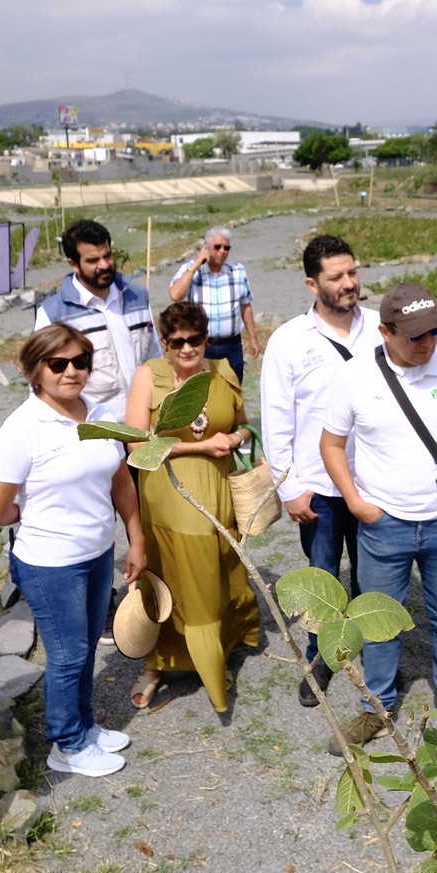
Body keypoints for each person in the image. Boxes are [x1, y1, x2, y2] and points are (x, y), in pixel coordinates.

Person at [319, 283, 437, 749]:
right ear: (385, 331)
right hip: (384, 524)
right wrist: (356, 502)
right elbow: (331, 445)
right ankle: (375, 709)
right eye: (415, 336)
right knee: (376, 621)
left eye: (434, 332)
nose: (428, 343)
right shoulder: (355, 377)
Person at [0, 324, 147, 778]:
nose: (72, 371)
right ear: (35, 370)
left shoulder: (98, 412)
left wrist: (137, 537)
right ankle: (67, 744)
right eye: (59, 363)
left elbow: (120, 480)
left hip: (95, 554)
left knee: (87, 644)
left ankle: (84, 726)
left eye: (81, 362)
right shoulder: (22, 429)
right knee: (68, 652)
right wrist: (33, 513)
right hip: (51, 563)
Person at [124, 301, 260, 714]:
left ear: (206, 338)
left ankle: (219, 643)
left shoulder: (221, 371)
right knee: (179, 571)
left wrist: (236, 439)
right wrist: (203, 445)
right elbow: (134, 442)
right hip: (171, 491)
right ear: (164, 342)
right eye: (177, 341)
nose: (186, 349)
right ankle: (172, 661)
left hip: (219, 489)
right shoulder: (150, 376)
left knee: (217, 567)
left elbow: (241, 422)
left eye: (195, 339)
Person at [261, 234, 380, 705]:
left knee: (372, 576)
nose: (349, 283)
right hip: (318, 487)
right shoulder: (289, 342)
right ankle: (321, 657)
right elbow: (276, 420)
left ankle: (373, 650)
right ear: (313, 283)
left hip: (374, 481)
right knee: (323, 576)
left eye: (352, 272)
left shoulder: (379, 328)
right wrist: (289, 488)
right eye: (337, 277)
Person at [35, 219, 160, 410]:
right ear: (73, 264)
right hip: (97, 430)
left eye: (107, 256)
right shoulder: (53, 314)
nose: (104, 265)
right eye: (93, 260)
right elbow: (40, 382)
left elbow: (155, 357)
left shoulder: (138, 297)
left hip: (146, 422)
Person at [168, 224, 262, 381]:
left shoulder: (238, 270)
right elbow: (175, 295)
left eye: (226, 248)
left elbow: (245, 306)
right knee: (203, 394)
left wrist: (253, 338)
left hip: (232, 346)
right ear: (206, 247)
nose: (222, 251)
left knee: (233, 392)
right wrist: (196, 264)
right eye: (217, 247)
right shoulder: (191, 270)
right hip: (202, 345)